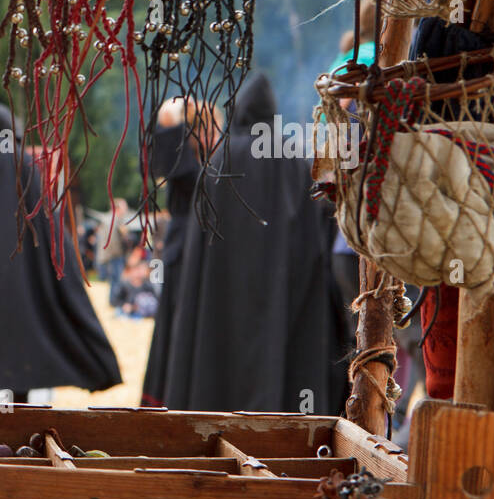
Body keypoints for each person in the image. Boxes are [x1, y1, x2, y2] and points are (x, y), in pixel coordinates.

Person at [146, 72, 349, 413]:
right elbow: (318, 236)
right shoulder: (297, 162)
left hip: (221, 297)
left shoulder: (217, 164)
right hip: (284, 293)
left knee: (216, 365)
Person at [0, 103, 122, 402]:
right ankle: (16, 410)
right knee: (17, 345)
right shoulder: (20, 160)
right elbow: (46, 221)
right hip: (18, 273)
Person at [140, 96, 222, 406]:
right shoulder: (186, 167)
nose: (216, 137)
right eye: (210, 130)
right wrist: (181, 107)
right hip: (183, 258)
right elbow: (166, 118)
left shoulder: (216, 167)